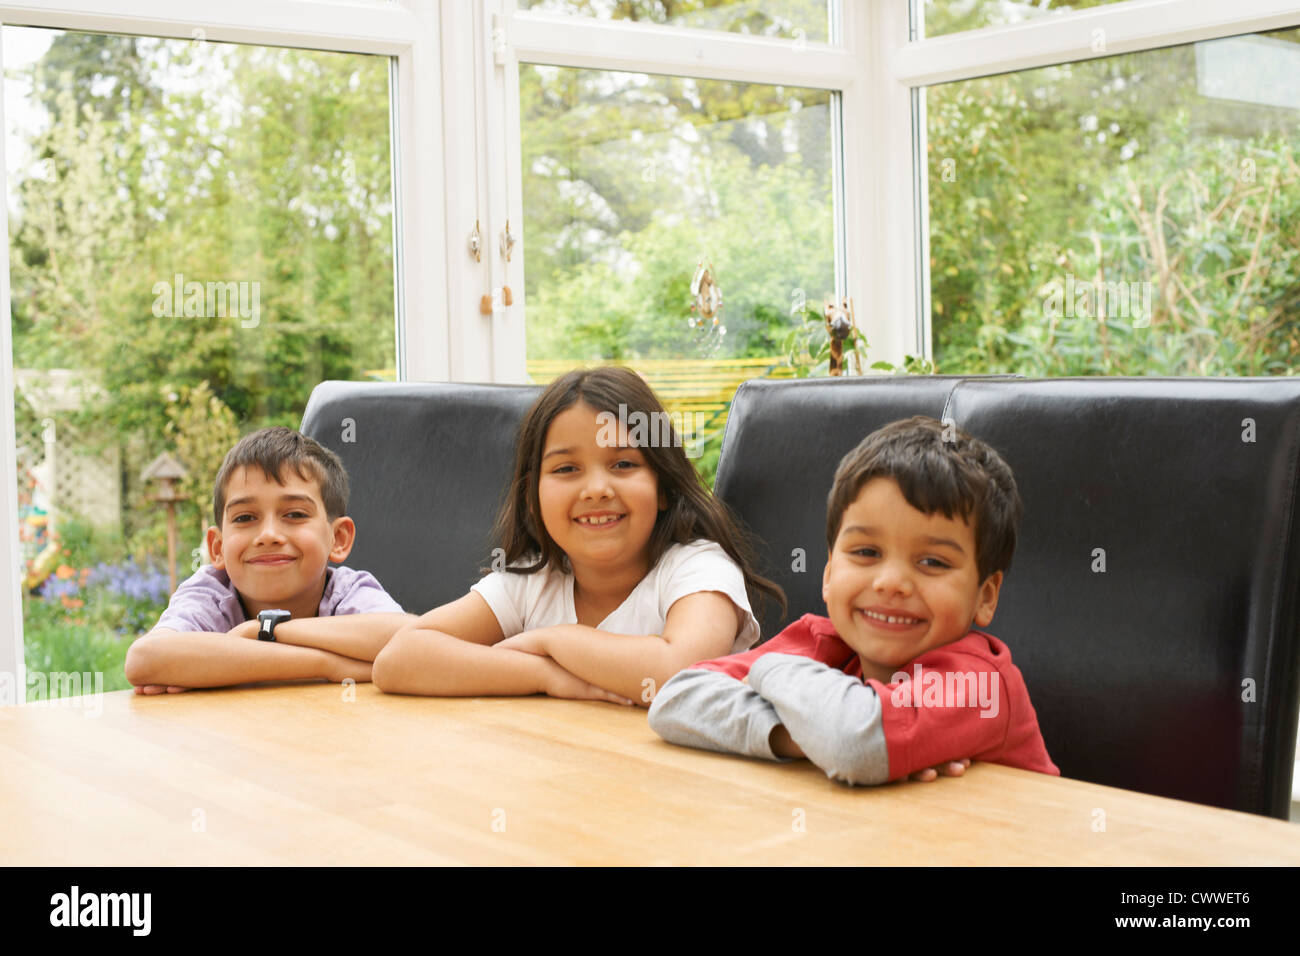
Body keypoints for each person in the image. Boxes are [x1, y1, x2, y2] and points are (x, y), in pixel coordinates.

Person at [648, 415, 1059, 784]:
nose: (890, 583)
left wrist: (772, 671)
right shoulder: (821, 641)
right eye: (866, 553)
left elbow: (854, 745)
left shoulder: (981, 684)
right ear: (828, 574)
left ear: (985, 596)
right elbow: (674, 699)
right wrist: (807, 735)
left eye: (932, 561)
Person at [373, 366, 785, 706]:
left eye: (623, 464)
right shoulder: (530, 582)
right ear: (532, 498)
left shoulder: (699, 568)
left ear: (662, 486)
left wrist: (554, 639)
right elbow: (398, 658)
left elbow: (678, 671)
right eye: (566, 469)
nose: (596, 489)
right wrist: (542, 672)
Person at [124, 427, 412, 693]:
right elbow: (146, 659)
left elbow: (410, 641)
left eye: (295, 514)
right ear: (218, 548)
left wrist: (262, 631)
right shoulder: (212, 593)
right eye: (245, 517)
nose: (269, 535)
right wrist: (327, 665)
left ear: (338, 539)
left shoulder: (347, 591)